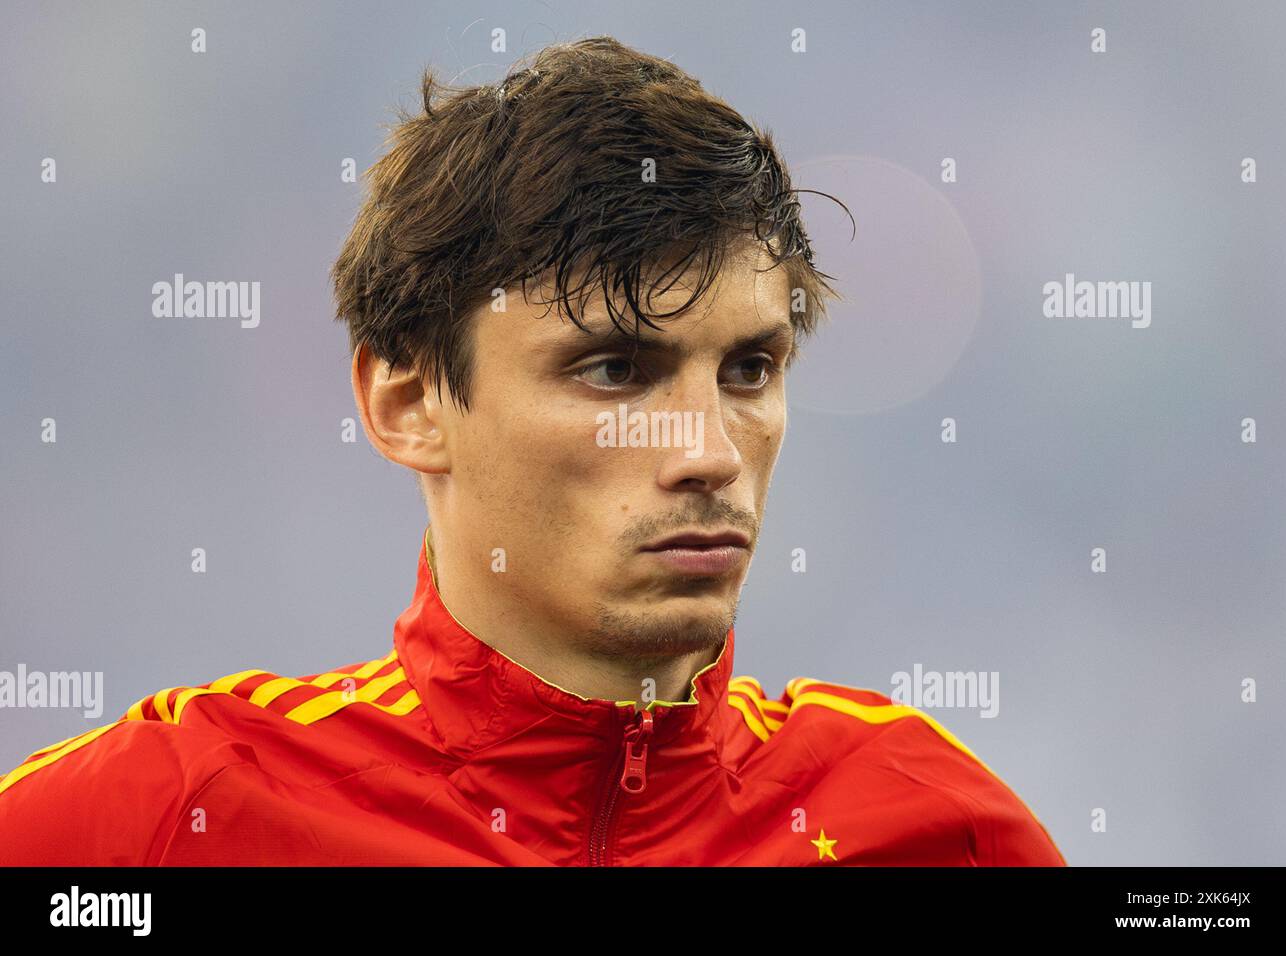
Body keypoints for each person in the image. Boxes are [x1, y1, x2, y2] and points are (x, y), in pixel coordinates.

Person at [0, 36, 1065, 866]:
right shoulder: (164, 816)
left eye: (747, 369)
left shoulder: (932, 822)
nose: (705, 451)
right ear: (408, 400)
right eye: (611, 370)